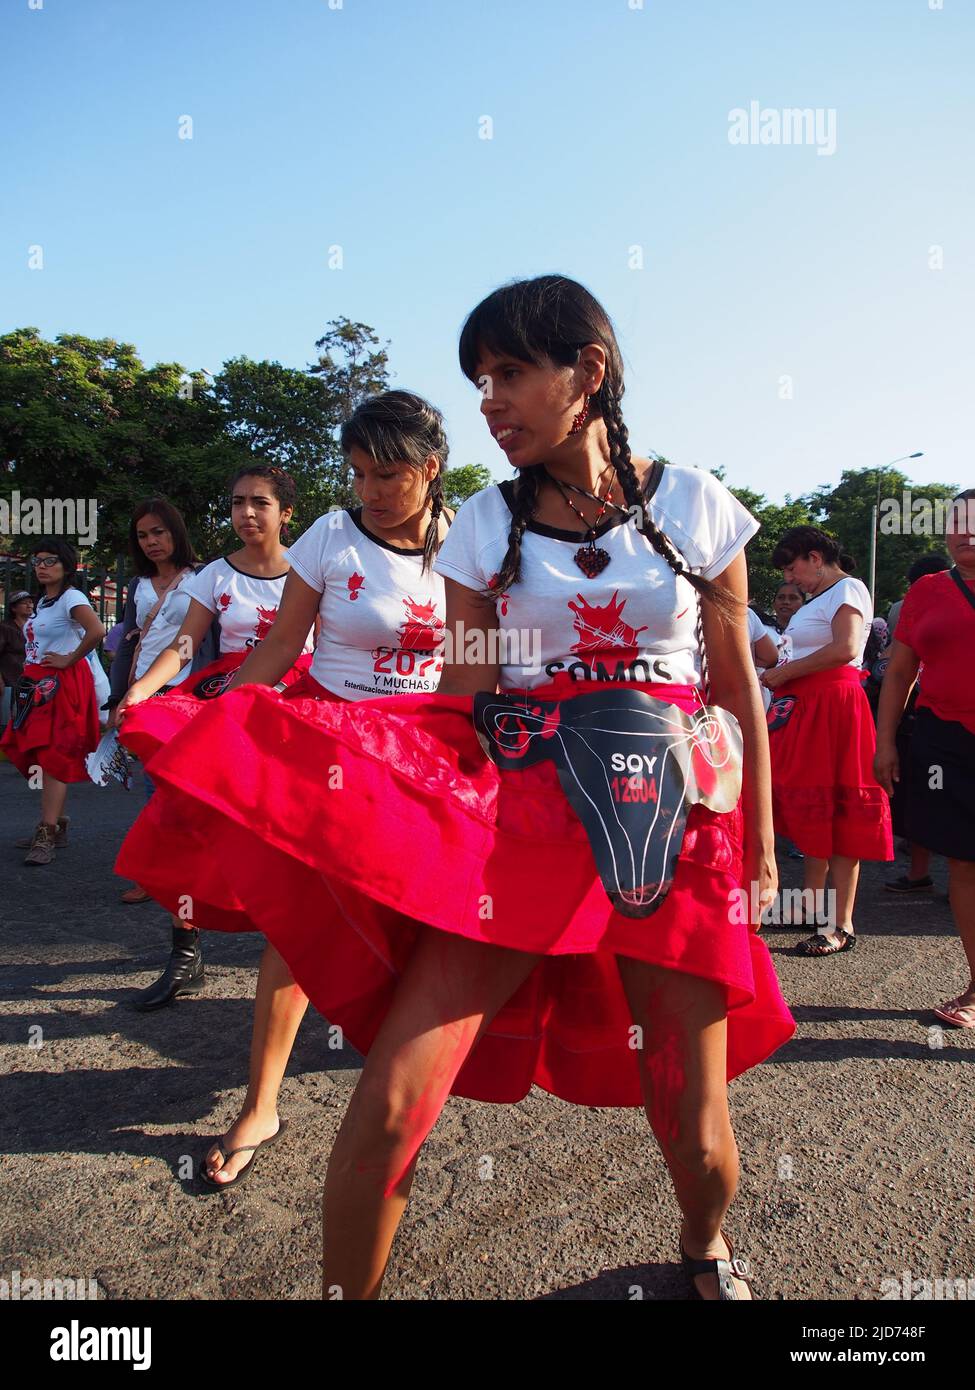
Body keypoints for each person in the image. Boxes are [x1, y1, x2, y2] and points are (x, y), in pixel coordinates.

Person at [116, 275, 795, 1300]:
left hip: (675, 820)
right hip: (521, 819)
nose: (490, 398)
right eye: (480, 378)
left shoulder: (700, 504)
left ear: (590, 373)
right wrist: (315, 761)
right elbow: (464, 701)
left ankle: (705, 1245)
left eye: (512, 373)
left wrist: (762, 842)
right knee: (389, 1100)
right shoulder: (483, 524)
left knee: (694, 1132)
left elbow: (737, 682)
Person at [118, 391, 452, 1178]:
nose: (369, 490)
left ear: (431, 470)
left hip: (429, 753)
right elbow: (277, 647)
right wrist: (218, 725)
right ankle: (259, 1105)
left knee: (431, 928)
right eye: (358, 472)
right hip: (333, 744)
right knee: (303, 924)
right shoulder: (331, 534)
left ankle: (401, 1096)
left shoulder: (471, 539)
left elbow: (485, 653)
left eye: (389, 474)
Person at [761, 528, 893, 955]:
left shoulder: (848, 587)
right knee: (808, 807)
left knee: (838, 811)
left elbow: (846, 647)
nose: (790, 577)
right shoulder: (816, 600)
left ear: (815, 558)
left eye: (792, 566)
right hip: (804, 706)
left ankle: (841, 924)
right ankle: (812, 909)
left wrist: (782, 674)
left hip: (832, 704)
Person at [874, 491, 975, 1026]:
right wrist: (884, 741)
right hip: (945, 741)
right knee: (964, 862)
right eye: (957, 524)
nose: (966, 534)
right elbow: (898, 673)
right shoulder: (928, 591)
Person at [1, 541, 106, 864]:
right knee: (30, 750)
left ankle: (47, 831)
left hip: (59, 685)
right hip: (36, 687)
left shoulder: (72, 598)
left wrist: (68, 659)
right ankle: (56, 822)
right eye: (37, 561)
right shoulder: (45, 603)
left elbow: (97, 630)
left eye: (50, 561)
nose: (42, 566)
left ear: (67, 566)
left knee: (51, 756)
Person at [880, 552, 950, 893]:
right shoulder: (909, 605)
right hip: (929, 717)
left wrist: (886, 738)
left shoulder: (903, 606)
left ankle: (922, 872)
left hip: (923, 718)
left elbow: (896, 666)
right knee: (929, 794)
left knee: (926, 795)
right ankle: (944, 875)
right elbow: (899, 668)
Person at [0, 590, 33, 729]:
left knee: (28, 723)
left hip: (31, 683)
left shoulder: (35, 627)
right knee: (7, 723)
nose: (29, 605)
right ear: (14, 608)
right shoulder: (5, 628)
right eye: (24, 603)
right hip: (9, 682)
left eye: (31, 602)